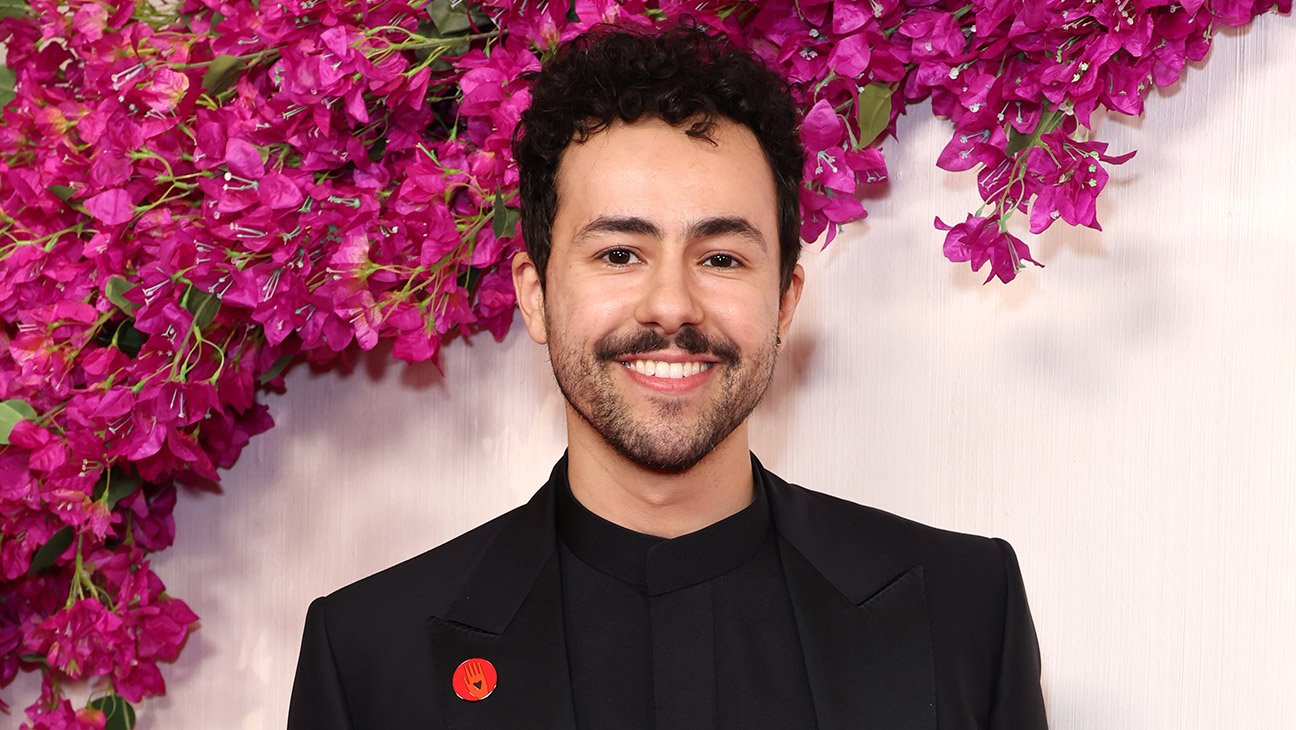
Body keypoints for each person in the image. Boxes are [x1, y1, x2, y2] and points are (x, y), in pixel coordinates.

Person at [288, 20, 1048, 730]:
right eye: (620, 253)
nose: (673, 305)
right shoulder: (369, 659)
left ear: (785, 300)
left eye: (722, 258)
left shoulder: (964, 611)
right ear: (535, 297)